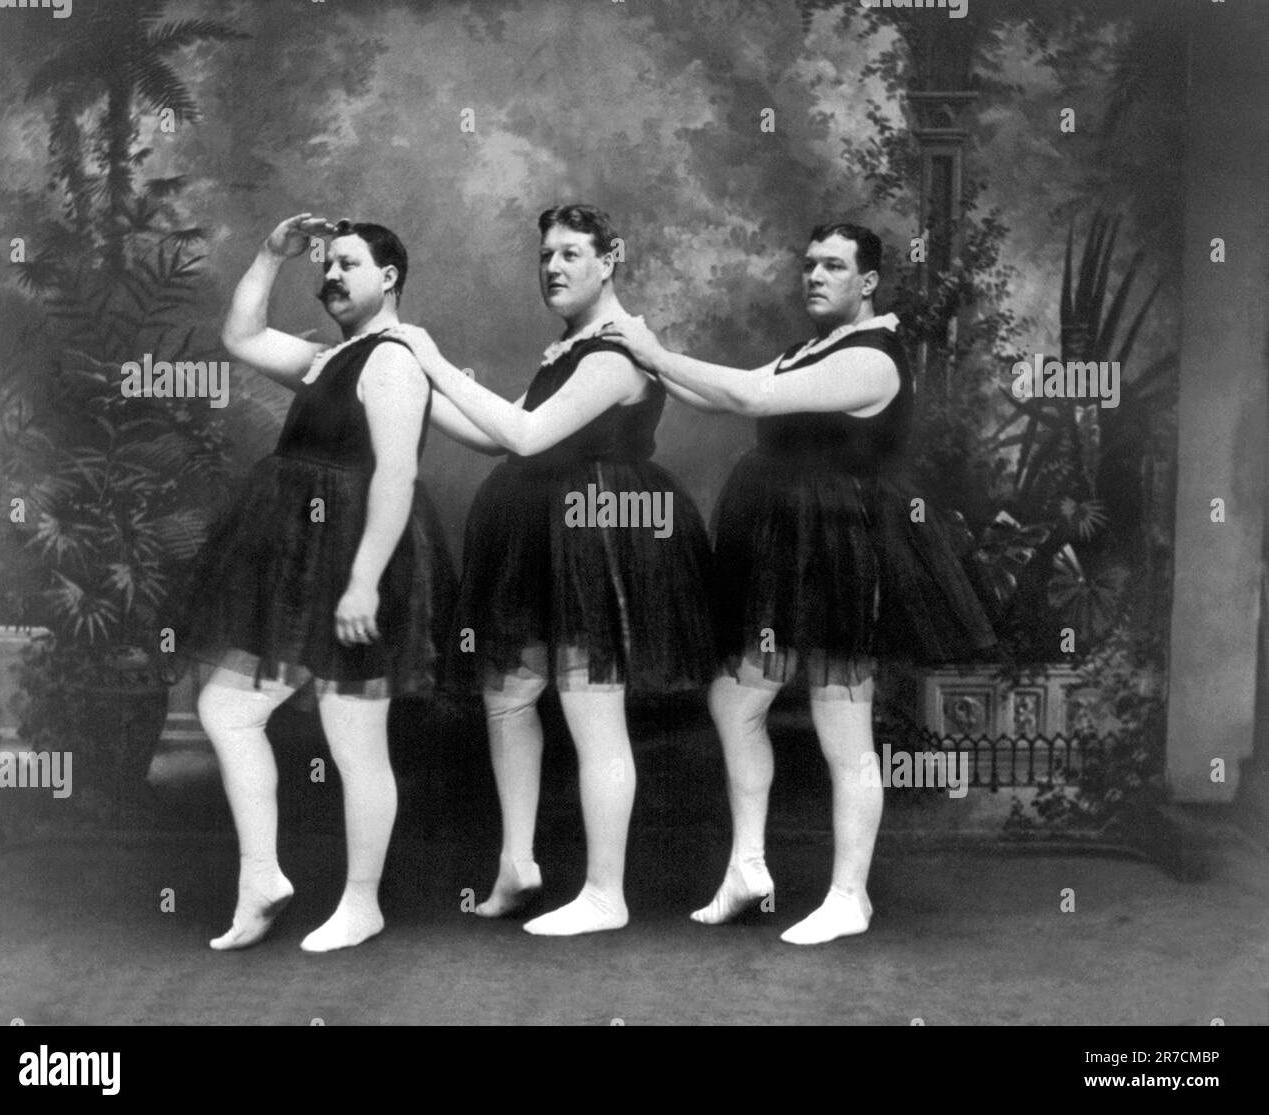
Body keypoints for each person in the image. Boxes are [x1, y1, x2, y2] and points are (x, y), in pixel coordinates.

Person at [600, 222, 997, 945]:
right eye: (809, 263)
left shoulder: (874, 358)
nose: (814, 275)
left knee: (841, 724)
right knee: (732, 698)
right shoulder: (810, 349)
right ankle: (748, 868)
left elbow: (750, 398)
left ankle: (851, 896)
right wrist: (651, 368)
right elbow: (729, 399)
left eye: (834, 265)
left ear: (868, 280)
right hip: (782, 544)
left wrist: (654, 351)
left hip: (844, 546)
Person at [390, 203, 716, 936]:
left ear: (611, 258)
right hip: (538, 532)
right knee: (506, 693)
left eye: (571, 254)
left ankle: (606, 891)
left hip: (598, 532)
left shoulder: (611, 356)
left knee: (590, 710)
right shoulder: (570, 349)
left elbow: (529, 435)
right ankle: (517, 863)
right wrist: (411, 381)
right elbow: (492, 432)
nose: (553, 268)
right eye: (546, 256)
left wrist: (433, 360)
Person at [182, 214, 456, 952]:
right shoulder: (327, 358)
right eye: (326, 266)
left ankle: (362, 902)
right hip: (301, 562)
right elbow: (240, 337)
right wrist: (272, 252)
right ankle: (261, 877)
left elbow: (398, 472)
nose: (331, 277)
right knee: (228, 709)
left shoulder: (393, 360)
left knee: (354, 738)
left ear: (389, 276)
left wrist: (364, 582)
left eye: (348, 264)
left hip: (361, 560)